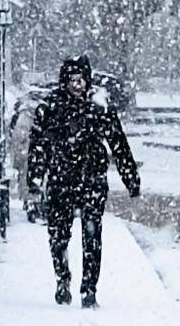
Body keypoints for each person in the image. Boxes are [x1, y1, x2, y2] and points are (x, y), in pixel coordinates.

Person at [20, 54, 145, 304]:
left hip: (92, 179)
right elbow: (39, 145)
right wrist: (35, 178)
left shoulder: (99, 107)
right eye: (72, 80)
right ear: (64, 82)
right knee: (59, 234)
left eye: (81, 80)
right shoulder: (52, 106)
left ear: (88, 81)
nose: (77, 85)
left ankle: (89, 289)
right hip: (61, 178)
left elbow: (118, 143)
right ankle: (62, 278)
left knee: (92, 235)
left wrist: (131, 179)